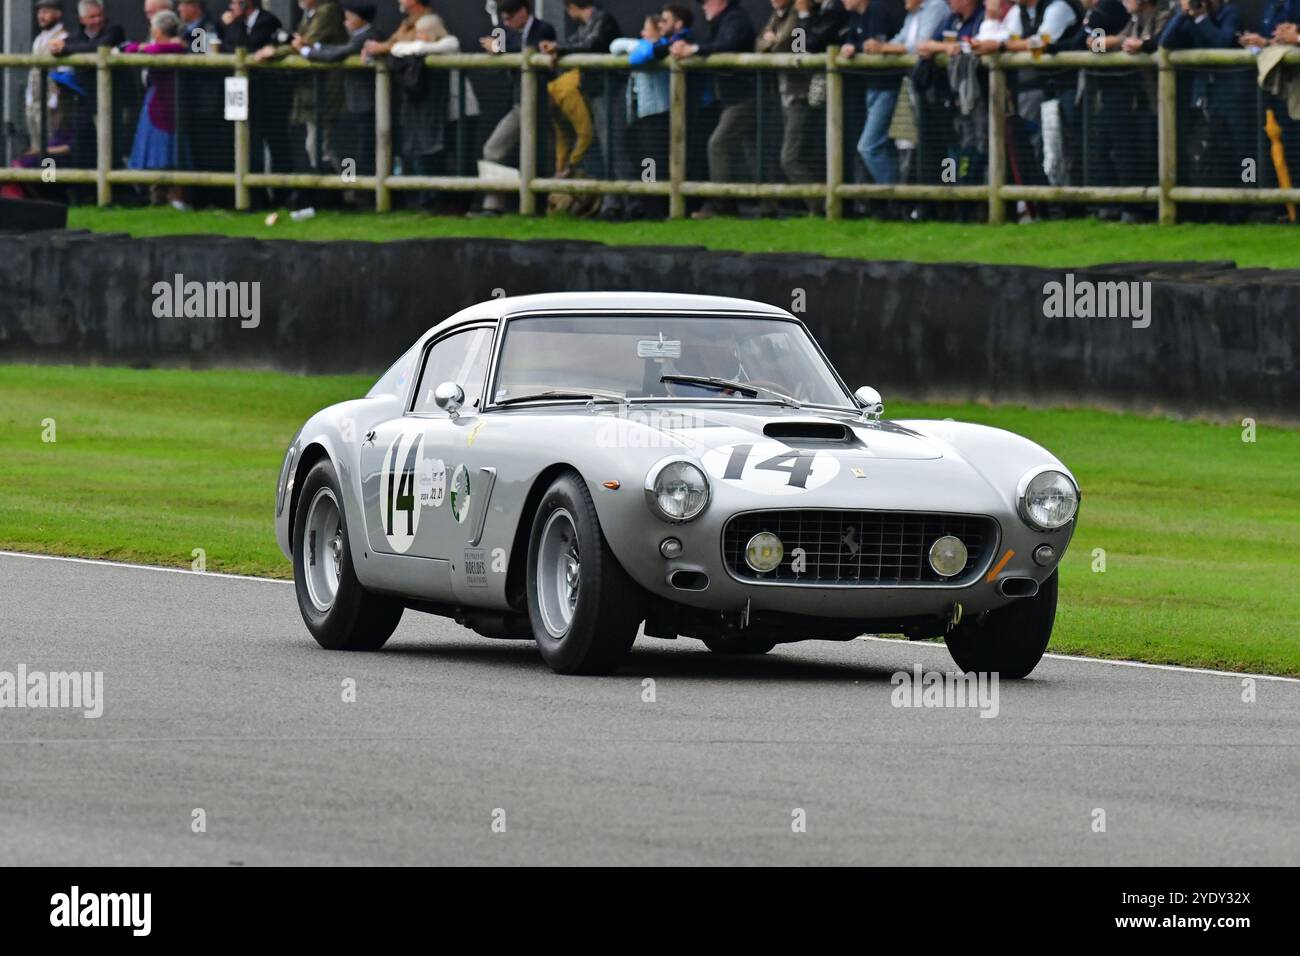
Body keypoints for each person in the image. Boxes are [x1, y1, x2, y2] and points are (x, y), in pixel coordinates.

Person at [671, 0, 759, 219]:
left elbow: (728, 44)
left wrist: (694, 49)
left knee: (717, 144)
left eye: (706, 2)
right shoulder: (722, 21)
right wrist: (685, 47)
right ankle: (768, 204)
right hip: (732, 99)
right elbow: (713, 44)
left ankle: (723, 206)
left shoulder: (735, 18)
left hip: (745, 98)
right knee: (754, 153)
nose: (703, 7)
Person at [474, 0, 557, 216]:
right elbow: (501, 45)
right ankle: (493, 206)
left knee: (548, 155)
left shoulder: (543, 28)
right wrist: (496, 48)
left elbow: (531, 49)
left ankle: (553, 206)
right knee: (493, 149)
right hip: (520, 102)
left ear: (523, 11)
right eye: (504, 19)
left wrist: (499, 48)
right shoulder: (504, 30)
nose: (507, 22)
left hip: (545, 102)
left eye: (510, 17)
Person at [539, 1, 621, 187]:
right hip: (592, 89)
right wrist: (556, 48)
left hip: (607, 90)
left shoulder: (603, 19)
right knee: (602, 149)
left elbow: (593, 44)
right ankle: (611, 202)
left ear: (571, 6)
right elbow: (574, 43)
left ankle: (631, 201)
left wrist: (570, 165)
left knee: (613, 148)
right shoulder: (583, 26)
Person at [758, 0, 825, 210]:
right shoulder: (777, 15)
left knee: (790, 158)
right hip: (784, 94)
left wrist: (774, 42)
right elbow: (759, 43)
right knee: (795, 154)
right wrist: (770, 41)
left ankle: (823, 205)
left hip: (802, 95)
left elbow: (793, 46)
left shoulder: (799, 12)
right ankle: (816, 206)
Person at [223, 0, 292, 202]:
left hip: (270, 96)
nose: (230, 7)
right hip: (243, 95)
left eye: (234, 3)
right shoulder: (235, 25)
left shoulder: (268, 20)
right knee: (247, 143)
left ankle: (283, 195)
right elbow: (231, 47)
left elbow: (250, 45)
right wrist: (232, 25)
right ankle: (255, 197)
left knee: (277, 143)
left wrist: (233, 26)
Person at [306, 0, 380, 186]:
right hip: (355, 103)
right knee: (352, 150)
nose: (345, 21)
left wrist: (306, 51)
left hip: (366, 104)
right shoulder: (355, 36)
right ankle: (351, 186)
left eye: (348, 18)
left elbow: (337, 54)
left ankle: (364, 191)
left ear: (359, 19)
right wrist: (318, 47)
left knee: (365, 151)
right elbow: (338, 48)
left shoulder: (368, 36)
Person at [125, 10, 190, 209]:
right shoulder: (157, 45)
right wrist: (144, 47)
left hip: (170, 104)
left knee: (173, 153)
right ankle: (157, 198)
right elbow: (128, 48)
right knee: (154, 153)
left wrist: (147, 48)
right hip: (155, 102)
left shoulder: (196, 33)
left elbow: (192, 49)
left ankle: (177, 197)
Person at [27, 0, 69, 153]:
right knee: (36, 145)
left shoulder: (63, 37)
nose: (41, 16)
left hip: (52, 103)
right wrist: (29, 97)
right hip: (35, 101)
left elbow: (64, 72)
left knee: (50, 146)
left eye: (46, 12)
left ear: (57, 14)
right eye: (40, 12)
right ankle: (39, 176)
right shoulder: (39, 39)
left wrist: (55, 99)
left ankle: (48, 177)